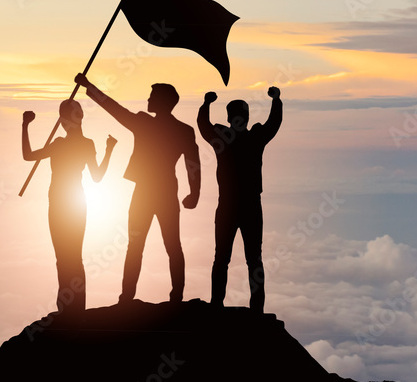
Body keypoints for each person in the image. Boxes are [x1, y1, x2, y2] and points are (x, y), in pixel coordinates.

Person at [74, 73, 200, 304]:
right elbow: (193, 165)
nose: (148, 99)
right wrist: (194, 192)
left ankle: (129, 298)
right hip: (162, 191)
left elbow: (115, 109)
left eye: (152, 96)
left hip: (146, 192)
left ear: (162, 101)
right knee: (168, 245)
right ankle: (170, 298)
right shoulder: (183, 130)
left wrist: (89, 86)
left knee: (141, 246)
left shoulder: (146, 123)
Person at [22, 99, 116, 314]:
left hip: (60, 204)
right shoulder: (86, 144)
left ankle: (67, 309)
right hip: (76, 203)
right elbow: (98, 177)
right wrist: (109, 150)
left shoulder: (60, 145)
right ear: (80, 117)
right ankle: (75, 308)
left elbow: (27, 156)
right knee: (73, 257)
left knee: (64, 258)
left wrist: (25, 125)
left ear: (64, 121)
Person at [197, 86, 283, 314]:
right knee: (250, 259)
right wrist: (276, 101)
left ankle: (220, 306)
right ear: (246, 117)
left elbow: (204, 127)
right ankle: (254, 310)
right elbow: (273, 125)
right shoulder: (254, 138)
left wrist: (206, 104)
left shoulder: (224, 138)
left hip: (231, 206)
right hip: (247, 206)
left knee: (227, 258)